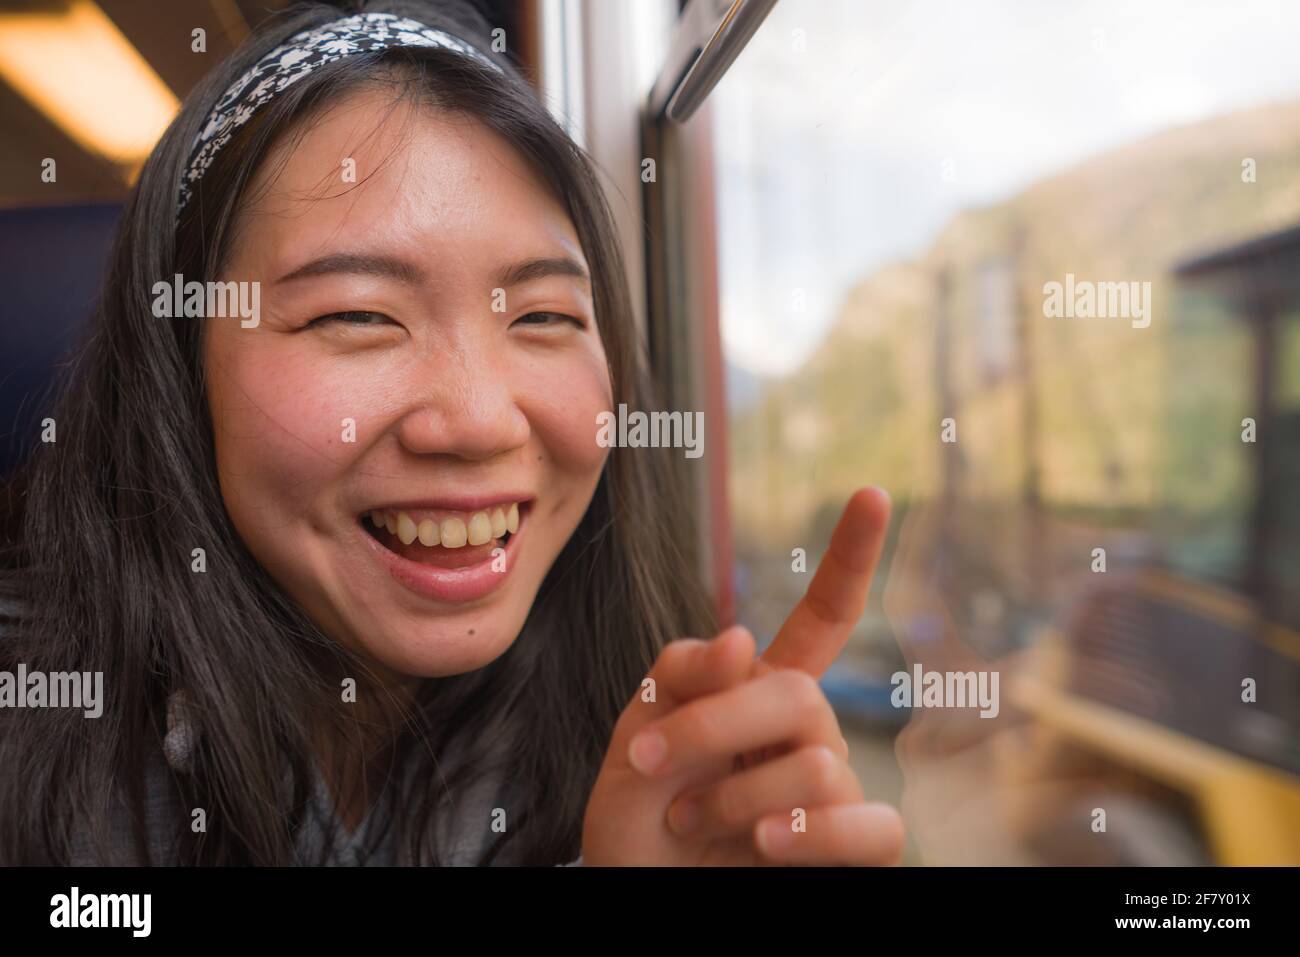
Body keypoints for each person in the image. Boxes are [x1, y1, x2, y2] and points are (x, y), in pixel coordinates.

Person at [0, 0, 904, 866]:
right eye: (357, 314)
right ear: (176, 370)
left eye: (545, 317)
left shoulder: (657, 732)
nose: (476, 422)